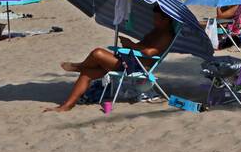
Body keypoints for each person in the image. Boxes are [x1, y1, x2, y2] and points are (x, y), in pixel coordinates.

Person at [46, 8, 176, 112]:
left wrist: (130, 44)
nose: (154, 21)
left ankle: (79, 67)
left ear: (167, 20)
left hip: (138, 66)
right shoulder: (157, 31)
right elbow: (142, 47)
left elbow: (150, 52)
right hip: (132, 59)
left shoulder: (166, 35)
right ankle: (68, 105)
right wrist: (129, 45)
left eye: (157, 19)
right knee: (87, 73)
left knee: (97, 53)